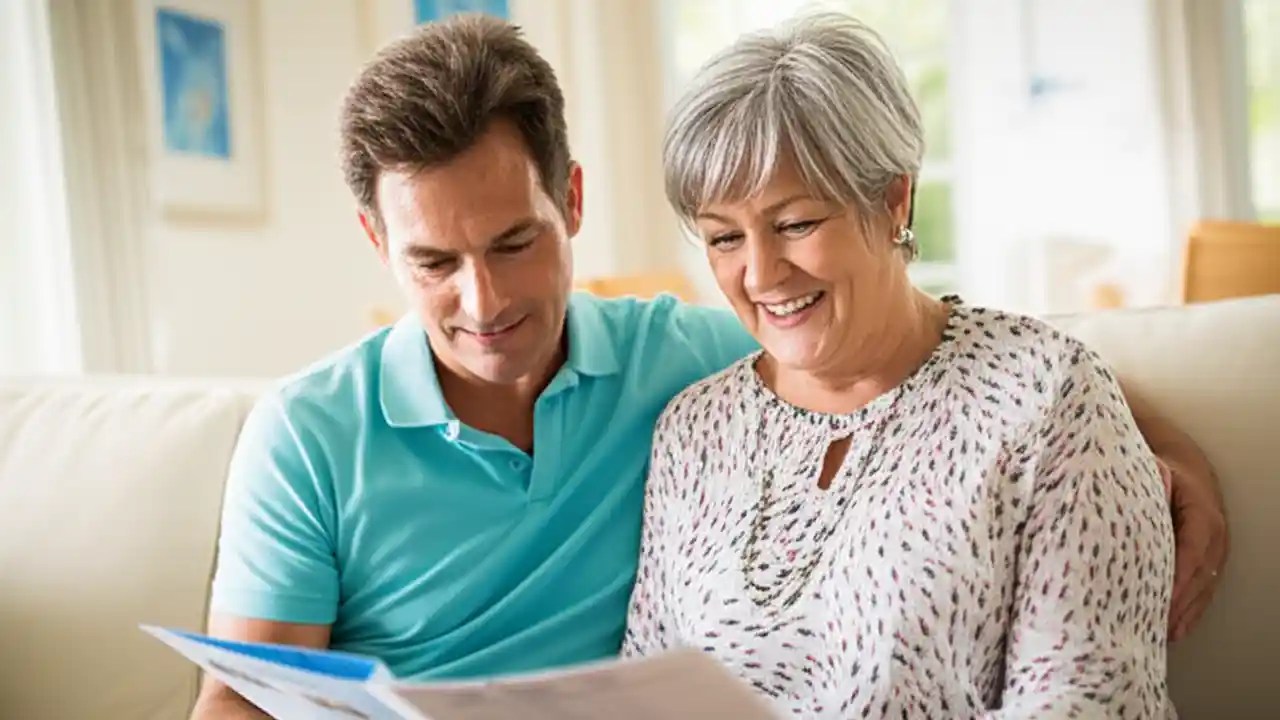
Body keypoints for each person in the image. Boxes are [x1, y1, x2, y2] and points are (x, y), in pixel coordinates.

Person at [192, 13, 1226, 719]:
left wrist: (1160, 444)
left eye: (513, 243)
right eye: (432, 263)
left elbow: (962, 363)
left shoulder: (679, 362)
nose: (484, 302)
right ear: (377, 243)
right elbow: (247, 697)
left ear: (574, 203)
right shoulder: (694, 415)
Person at [622, 12, 1183, 717]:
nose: (761, 273)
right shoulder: (692, 429)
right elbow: (642, 695)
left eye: (796, 224)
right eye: (723, 237)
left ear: (894, 199)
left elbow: (1090, 705)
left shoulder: (1047, 395)